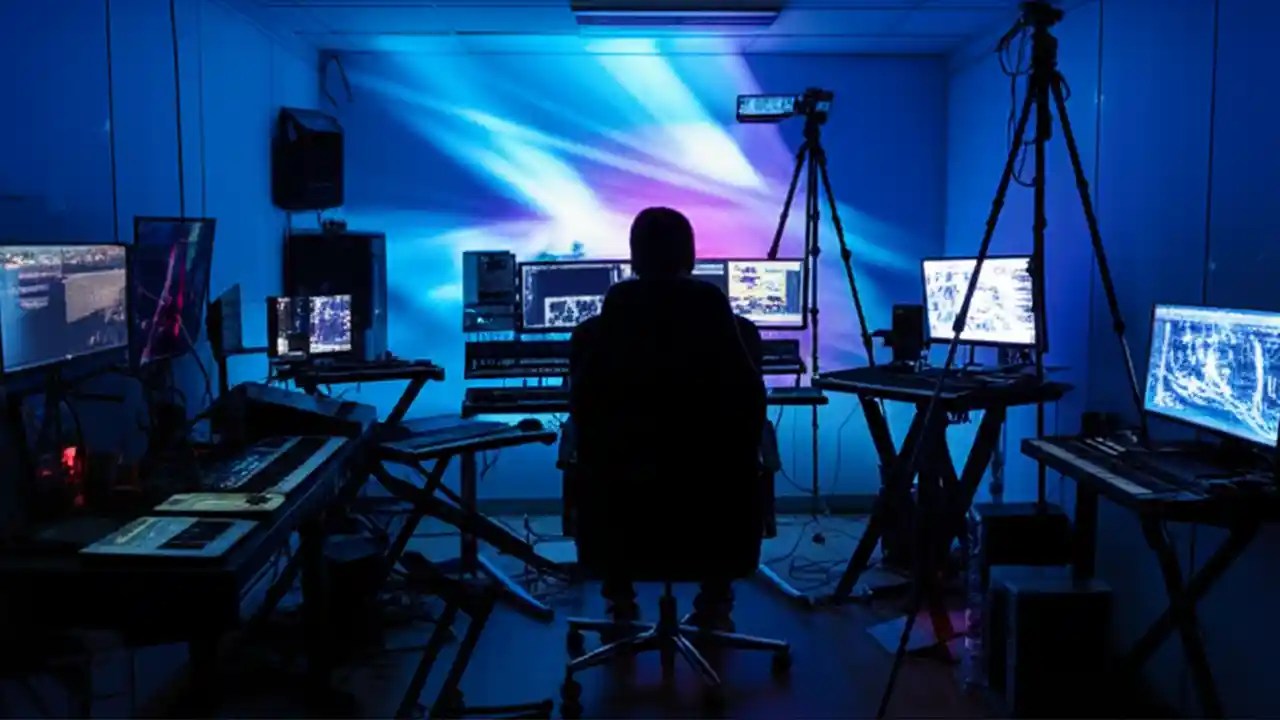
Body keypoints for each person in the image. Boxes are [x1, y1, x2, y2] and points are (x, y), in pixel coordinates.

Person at [568, 207, 766, 632]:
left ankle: (620, 601)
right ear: (691, 259)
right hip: (711, 511)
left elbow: (583, 417)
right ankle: (715, 602)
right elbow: (751, 415)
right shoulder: (739, 333)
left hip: (621, 513)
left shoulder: (590, 335)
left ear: (633, 260)